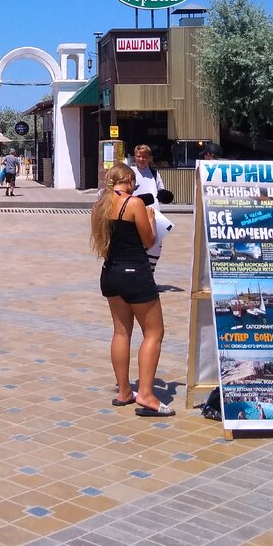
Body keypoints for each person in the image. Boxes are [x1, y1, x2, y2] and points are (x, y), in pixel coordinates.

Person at [90, 162, 173, 416]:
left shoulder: (100, 206)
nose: (135, 185)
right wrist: (148, 219)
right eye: (133, 181)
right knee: (154, 332)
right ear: (127, 178)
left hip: (110, 273)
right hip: (135, 273)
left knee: (121, 332)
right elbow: (149, 241)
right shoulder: (134, 204)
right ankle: (146, 394)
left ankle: (124, 391)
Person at [129, 144, 167, 273]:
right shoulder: (129, 173)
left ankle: (150, 277)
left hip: (155, 217)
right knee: (138, 248)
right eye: (138, 156)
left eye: (144, 157)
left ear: (149, 158)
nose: (141, 159)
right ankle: (137, 277)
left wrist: (163, 195)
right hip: (135, 217)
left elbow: (160, 190)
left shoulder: (155, 173)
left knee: (156, 248)